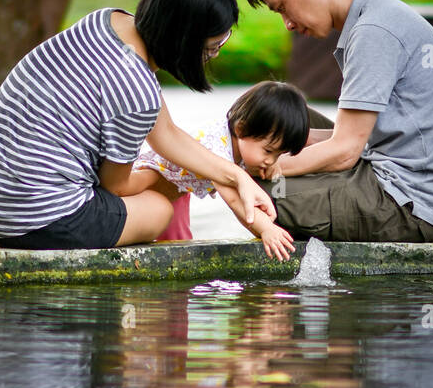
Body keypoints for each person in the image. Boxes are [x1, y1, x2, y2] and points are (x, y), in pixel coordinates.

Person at [0, 0, 276, 249]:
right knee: (158, 210)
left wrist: (235, 177)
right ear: (184, 43)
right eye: (213, 46)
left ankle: (6, 214)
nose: (216, 53)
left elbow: (167, 134)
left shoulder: (106, 21)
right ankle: (18, 230)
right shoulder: (137, 91)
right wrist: (162, 176)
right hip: (33, 214)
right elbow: (115, 188)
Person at [242, 0, 433, 243]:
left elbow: (344, 151)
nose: (287, 24)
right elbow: (352, 140)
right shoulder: (375, 15)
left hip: (410, 205)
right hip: (394, 179)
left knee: (250, 190)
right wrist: (276, 148)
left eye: (282, 8)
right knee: (269, 117)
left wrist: (267, 167)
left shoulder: (373, 31)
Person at [130, 80, 308, 260]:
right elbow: (235, 200)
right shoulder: (219, 150)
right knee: (132, 190)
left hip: (178, 190)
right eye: (268, 151)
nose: (270, 160)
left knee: (177, 244)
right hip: (152, 176)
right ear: (241, 129)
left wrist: (273, 162)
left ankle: (176, 286)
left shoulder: (245, 145)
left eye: (279, 154)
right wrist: (267, 229)